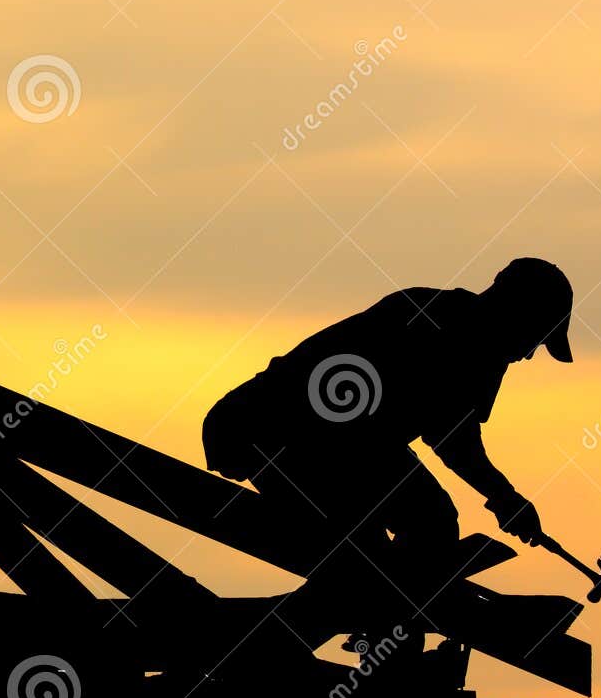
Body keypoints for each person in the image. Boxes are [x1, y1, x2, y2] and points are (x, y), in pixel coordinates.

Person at [201, 258, 572, 609]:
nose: (527, 355)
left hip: (327, 441)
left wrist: (505, 498)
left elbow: (449, 435)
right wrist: (505, 497)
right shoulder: (457, 333)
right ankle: (315, 631)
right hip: (266, 431)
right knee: (396, 538)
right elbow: (453, 439)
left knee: (413, 532)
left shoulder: (471, 334)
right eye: (536, 339)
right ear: (518, 313)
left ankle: (374, 621)